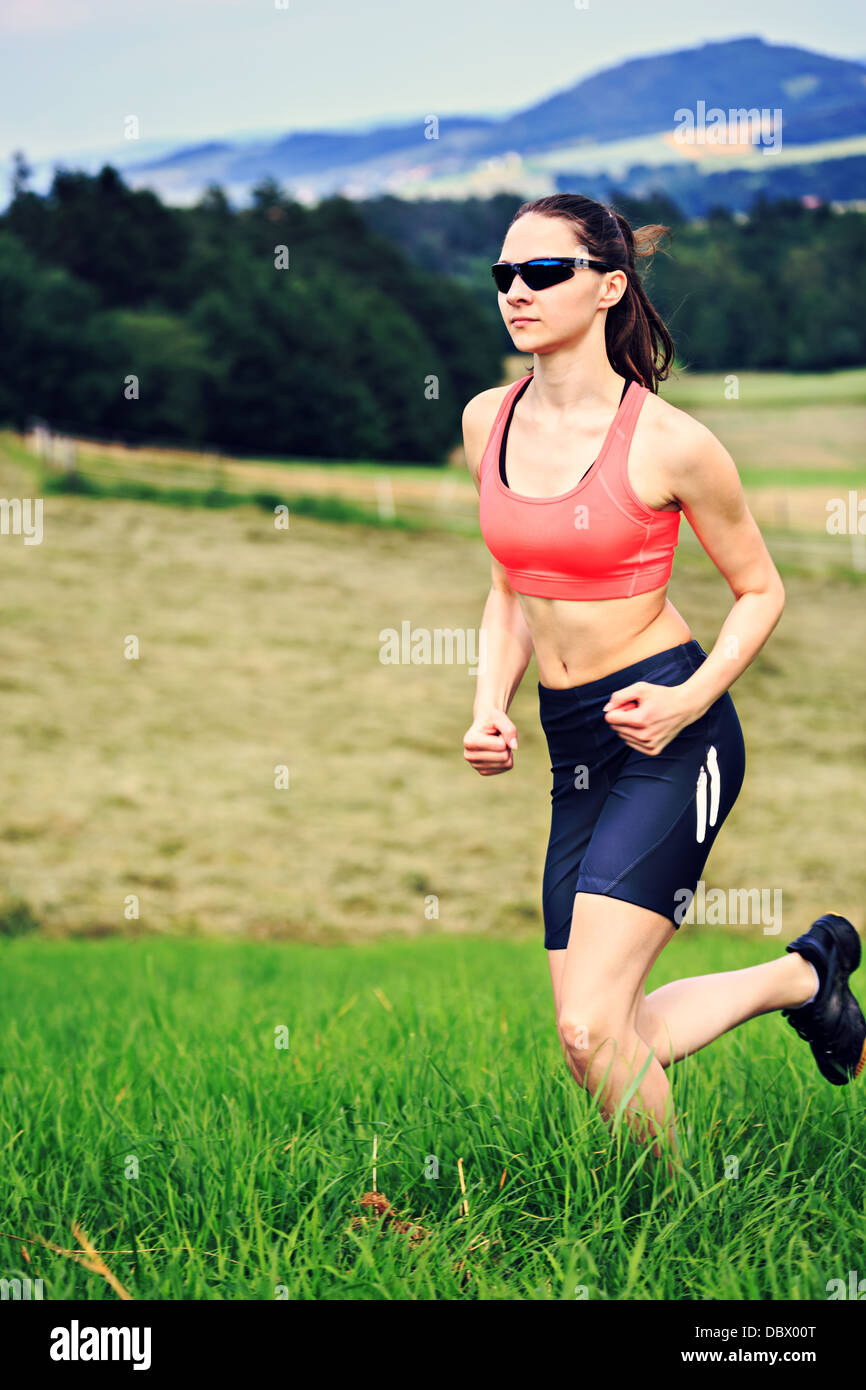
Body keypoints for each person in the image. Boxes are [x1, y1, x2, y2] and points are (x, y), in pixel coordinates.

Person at [461, 193, 865, 1173]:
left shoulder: (669, 441)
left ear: (605, 287)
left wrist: (690, 698)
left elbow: (758, 591)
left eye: (542, 273)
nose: (517, 291)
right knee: (594, 1028)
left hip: (671, 735)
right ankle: (800, 978)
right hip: (574, 745)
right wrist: (488, 705)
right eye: (503, 274)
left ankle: (675, 1228)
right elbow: (509, 586)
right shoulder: (486, 419)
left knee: (591, 1033)